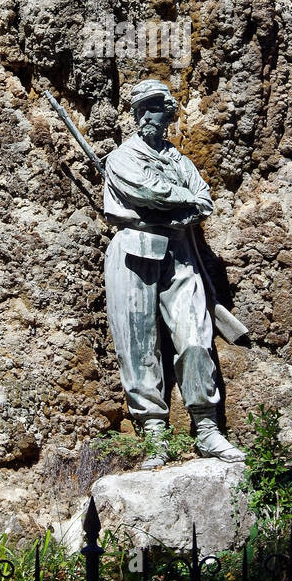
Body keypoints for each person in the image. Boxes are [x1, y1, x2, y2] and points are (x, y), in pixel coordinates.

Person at [103, 79, 244, 468]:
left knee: (195, 336)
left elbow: (205, 199)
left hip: (180, 252)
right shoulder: (122, 158)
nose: (153, 116)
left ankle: (206, 428)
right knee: (138, 347)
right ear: (137, 115)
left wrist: (180, 203)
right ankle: (153, 433)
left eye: (160, 110)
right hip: (134, 250)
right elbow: (146, 191)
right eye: (147, 109)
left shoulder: (180, 160)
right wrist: (179, 200)